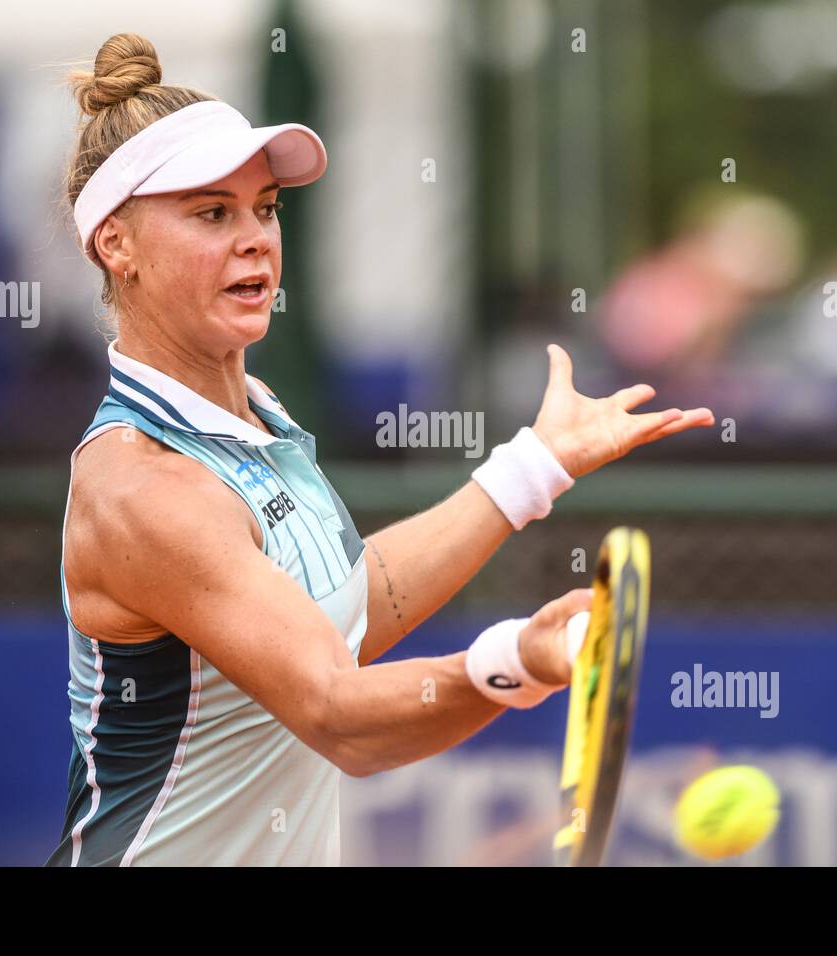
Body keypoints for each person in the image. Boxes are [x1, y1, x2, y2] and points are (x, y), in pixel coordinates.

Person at [47, 33, 713, 866]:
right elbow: (337, 713)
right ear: (117, 245)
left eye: (265, 207)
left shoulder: (254, 416)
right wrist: (519, 659)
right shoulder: (146, 488)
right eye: (212, 212)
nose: (255, 237)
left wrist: (532, 466)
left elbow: (343, 615)